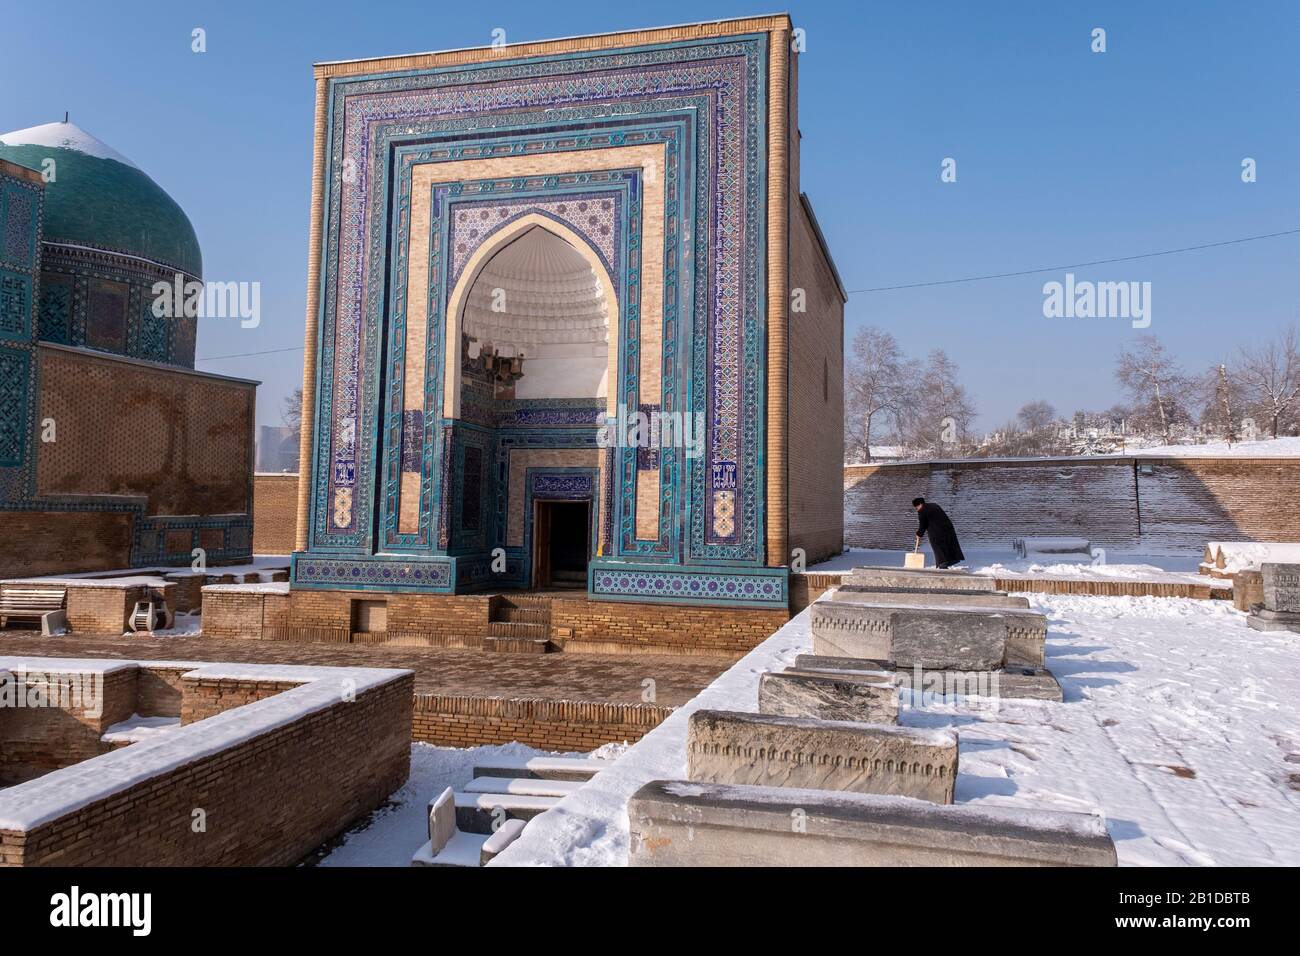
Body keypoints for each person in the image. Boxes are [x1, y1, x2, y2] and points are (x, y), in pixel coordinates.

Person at [912, 497, 965, 569]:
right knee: (948, 545)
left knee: (937, 547)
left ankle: (942, 563)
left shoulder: (922, 510)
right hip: (948, 529)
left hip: (936, 531)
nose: (917, 509)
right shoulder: (934, 505)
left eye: (916, 507)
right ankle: (951, 560)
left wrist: (919, 534)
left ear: (920, 504)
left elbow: (923, 524)